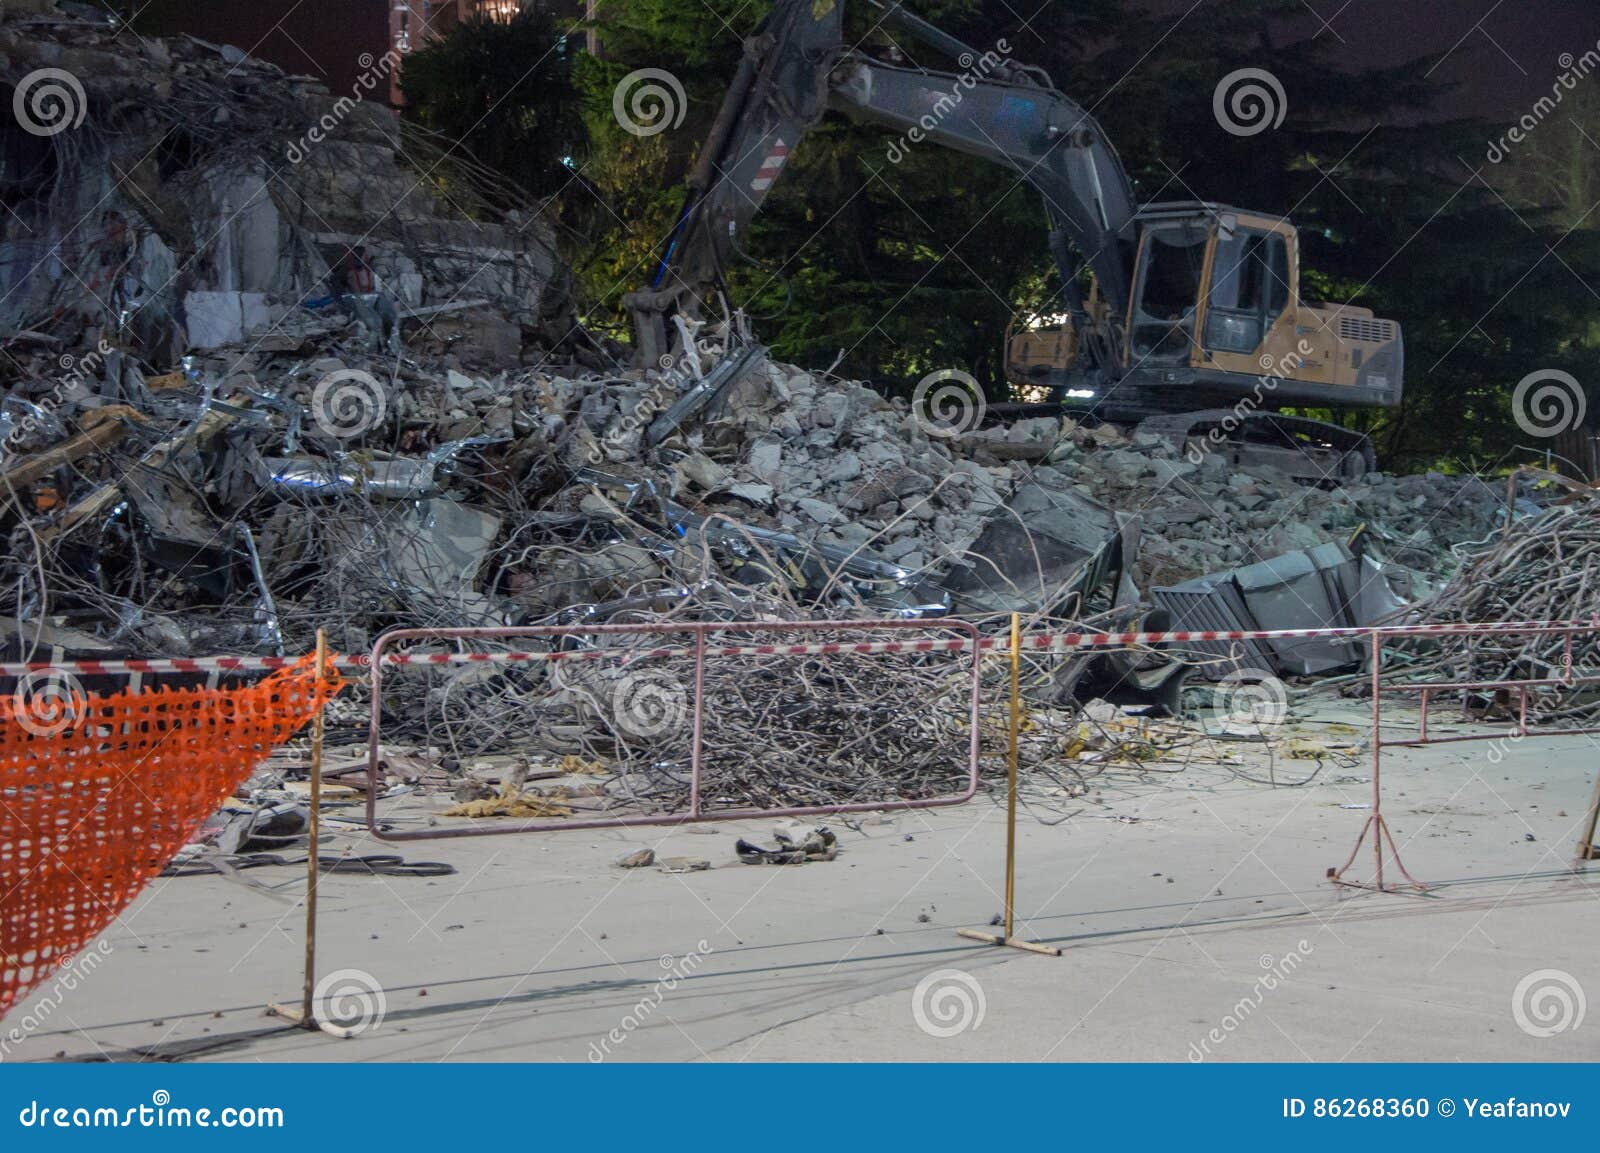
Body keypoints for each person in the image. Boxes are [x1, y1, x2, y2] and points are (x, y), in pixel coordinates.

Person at [329, 245, 399, 353]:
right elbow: (336, 284)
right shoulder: (346, 270)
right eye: (359, 257)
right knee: (373, 322)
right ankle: (373, 349)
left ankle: (389, 346)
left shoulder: (369, 269)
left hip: (372, 296)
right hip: (357, 298)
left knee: (389, 316)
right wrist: (343, 299)